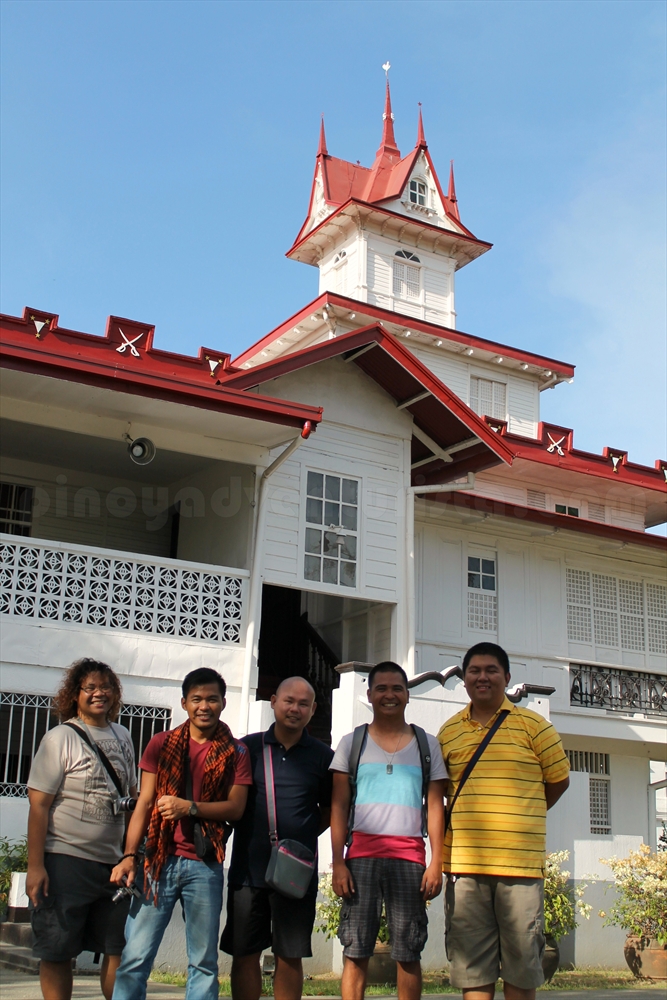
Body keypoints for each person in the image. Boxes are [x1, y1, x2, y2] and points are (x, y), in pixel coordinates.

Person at [437, 642, 570, 999]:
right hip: (465, 868)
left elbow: (558, 781)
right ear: (463, 680)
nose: (482, 677)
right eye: (474, 671)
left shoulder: (534, 727)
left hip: (520, 869)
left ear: (507, 677)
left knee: (522, 970)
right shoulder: (448, 733)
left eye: (491, 670)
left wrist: (522, 815)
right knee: (471, 971)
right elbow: (439, 795)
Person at [110, 667, 251, 1000]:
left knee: (203, 962)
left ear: (223, 703)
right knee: (135, 957)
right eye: (197, 699)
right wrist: (130, 856)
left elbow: (236, 808)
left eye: (212, 699)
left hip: (205, 865)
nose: (205, 706)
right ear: (185, 703)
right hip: (158, 861)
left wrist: (190, 807)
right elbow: (144, 803)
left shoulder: (237, 751)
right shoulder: (161, 744)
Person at [330, 661, 447, 1000]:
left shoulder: (427, 746)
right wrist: (338, 862)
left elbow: (436, 806)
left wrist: (436, 862)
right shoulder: (352, 743)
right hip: (361, 858)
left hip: (410, 858)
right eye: (381, 688)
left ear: (407, 695)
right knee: (356, 948)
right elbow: (338, 805)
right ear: (369, 695)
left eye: (397, 688)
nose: (389, 695)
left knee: (409, 950)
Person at [26, 657, 138, 1000]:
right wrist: (35, 867)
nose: (98, 694)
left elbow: (133, 798)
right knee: (58, 951)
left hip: (114, 865)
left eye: (105, 687)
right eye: (89, 687)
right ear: (75, 694)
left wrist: (132, 855)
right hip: (65, 860)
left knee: (116, 949)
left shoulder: (123, 735)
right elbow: (39, 806)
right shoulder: (60, 738)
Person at [221, 676, 334, 1000]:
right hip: (247, 871)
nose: (294, 709)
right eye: (288, 701)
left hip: (296, 873)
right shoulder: (246, 748)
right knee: (244, 954)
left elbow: (329, 810)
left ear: (313, 710)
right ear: (273, 701)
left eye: (303, 704)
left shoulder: (323, 756)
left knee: (290, 954)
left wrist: (299, 838)